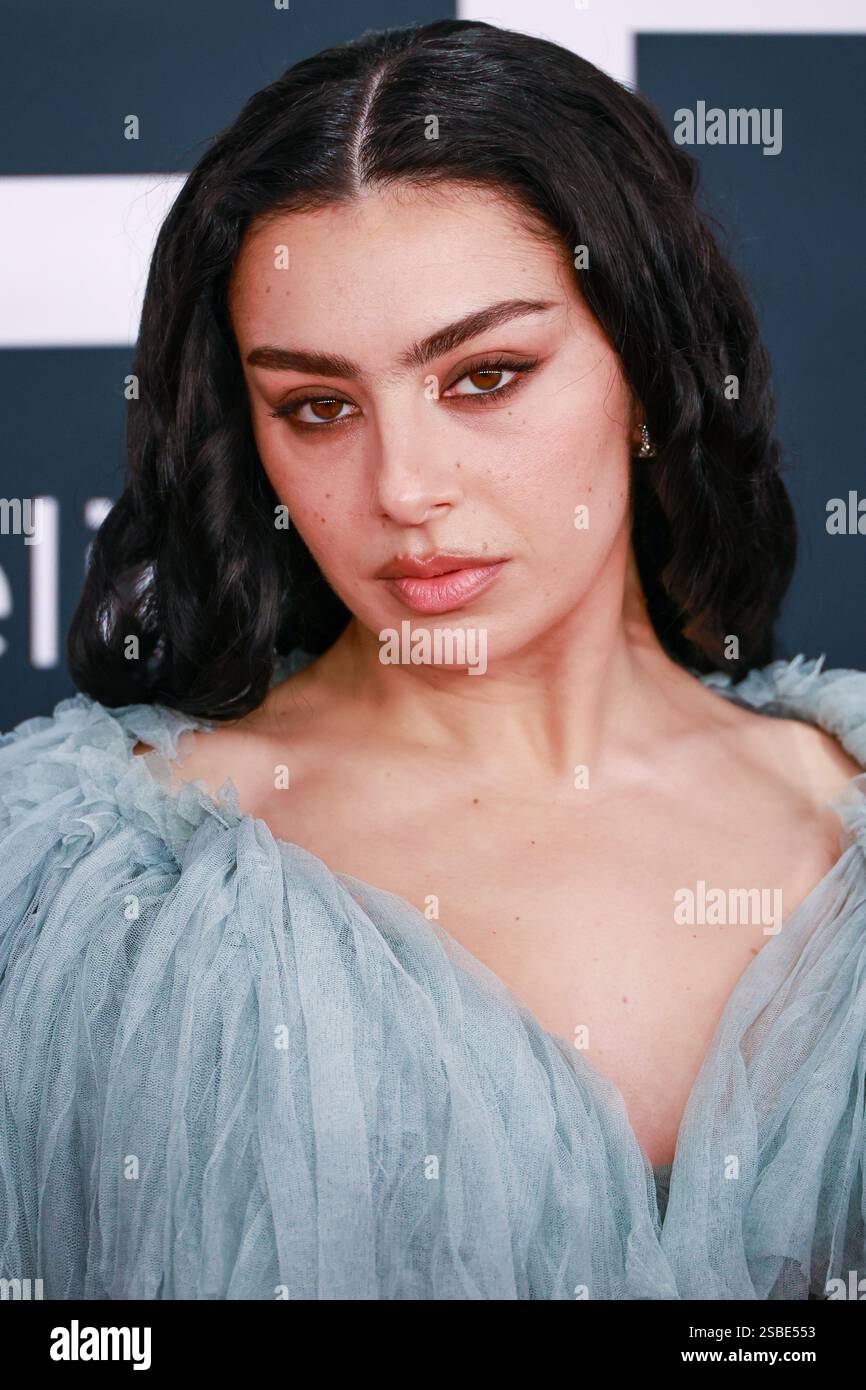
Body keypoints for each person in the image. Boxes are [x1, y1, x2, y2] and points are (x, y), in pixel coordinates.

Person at [1, 18, 864, 1300]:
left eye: (485, 376)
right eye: (316, 406)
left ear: (646, 361)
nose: (402, 488)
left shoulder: (837, 801)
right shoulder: (81, 885)